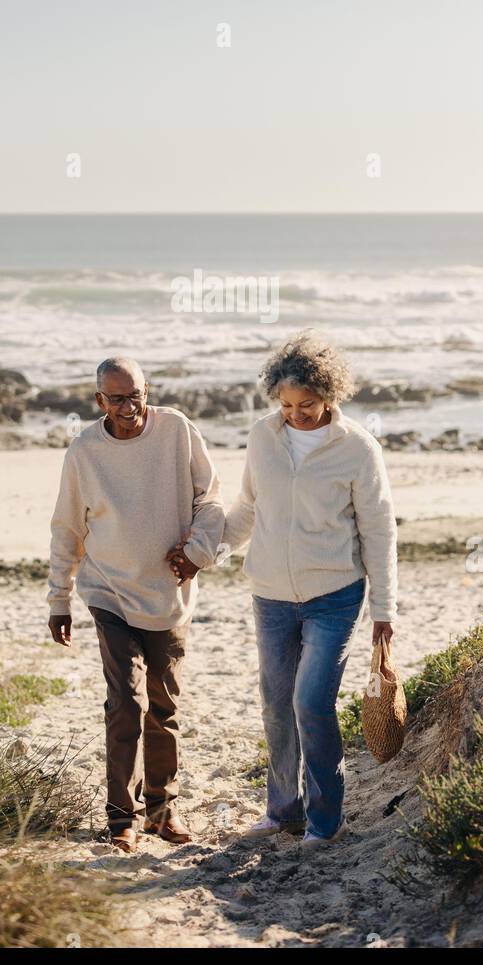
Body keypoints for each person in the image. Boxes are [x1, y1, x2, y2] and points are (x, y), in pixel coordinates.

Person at [217, 331, 397, 846]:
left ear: (330, 396)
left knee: (310, 702)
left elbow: (379, 530)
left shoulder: (358, 449)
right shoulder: (262, 436)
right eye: (288, 405)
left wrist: (385, 608)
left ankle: (325, 819)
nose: (297, 415)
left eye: (308, 405)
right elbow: (249, 508)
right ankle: (283, 810)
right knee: (276, 702)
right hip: (271, 592)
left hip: (335, 595)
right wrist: (206, 551)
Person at [47, 356, 224, 854]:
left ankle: (161, 812)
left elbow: (209, 499)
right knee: (126, 703)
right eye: (117, 399)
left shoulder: (177, 432)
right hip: (108, 592)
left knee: (164, 707)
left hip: (168, 594)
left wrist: (197, 554)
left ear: (149, 390)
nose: (130, 408)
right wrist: (59, 598)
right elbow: (67, 527)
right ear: (99, 401)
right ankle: (120, 817)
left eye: (137, 395)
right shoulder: (84, 452)